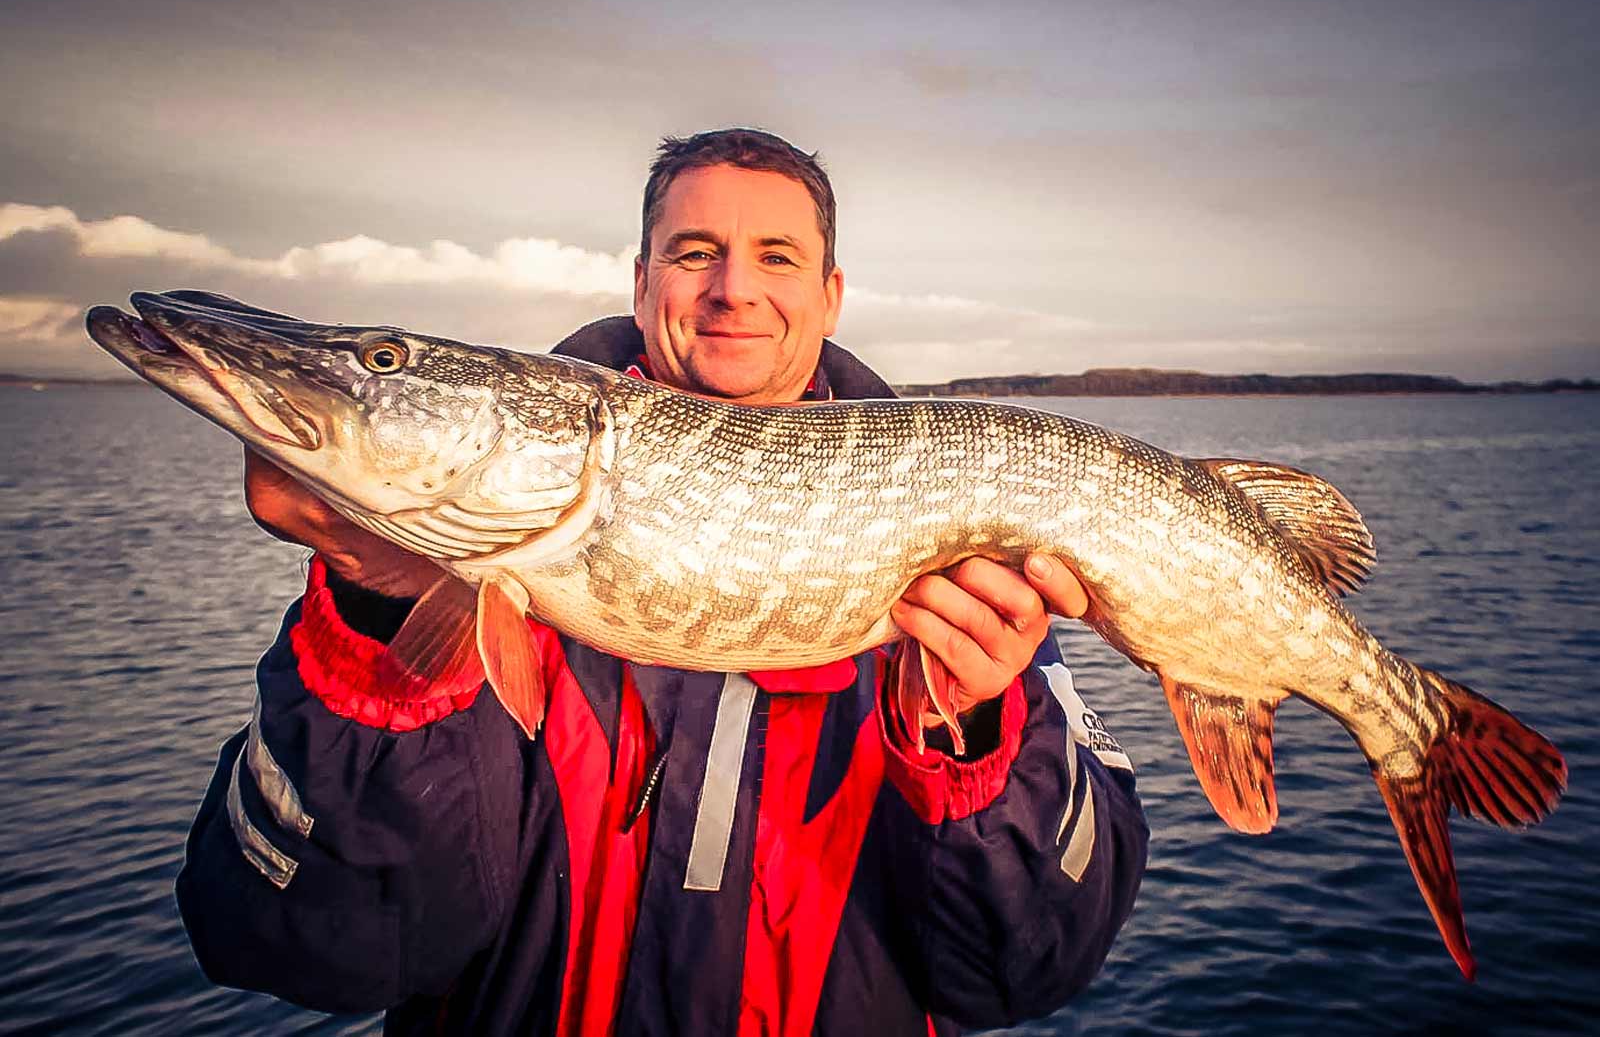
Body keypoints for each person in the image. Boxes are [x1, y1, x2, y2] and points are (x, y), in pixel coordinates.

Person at [176, 129, 1147, 1036]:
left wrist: (975, 727)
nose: (732, 289)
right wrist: (376, 611)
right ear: (643, 284)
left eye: (776, 255)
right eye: (693, 252)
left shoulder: (961, 555)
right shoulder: (447, 567)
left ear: (830, 293)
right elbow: (294, 943)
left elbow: (1029, 965)